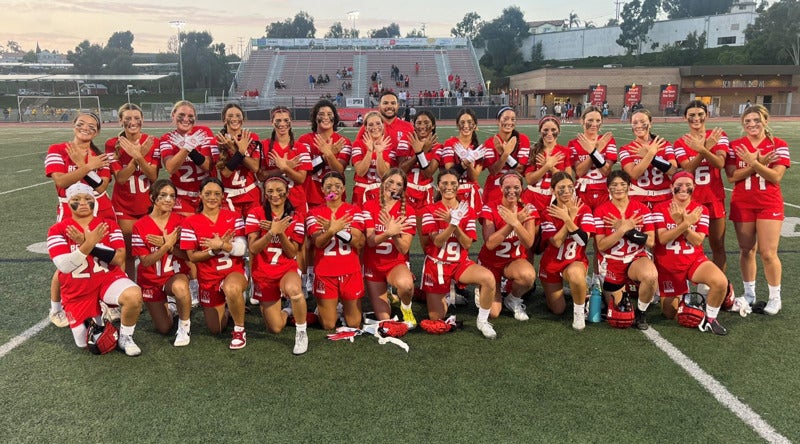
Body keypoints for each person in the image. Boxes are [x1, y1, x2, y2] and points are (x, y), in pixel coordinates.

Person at [47, 183, 144, 356]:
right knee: (88, 344)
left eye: (87, 198)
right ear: (68, 203)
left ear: (95, 201)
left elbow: (119, 258)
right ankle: (99, 314)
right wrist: (89, 242)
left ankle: (126, 337)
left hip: (108, 279)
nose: (82, 202)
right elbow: (64, 265)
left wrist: (84, 241)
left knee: (134, 295)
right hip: (78, 290)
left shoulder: (108, 225)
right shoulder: (58, 230)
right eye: (76, 199)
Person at [45, 112, 113, 327]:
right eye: (81, 123)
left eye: (92, 126)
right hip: (69, 209)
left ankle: (103, 305)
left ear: (98, 131)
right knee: (68, 259)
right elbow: (62, 181)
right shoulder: (57, 149)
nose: (86, 128)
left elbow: (101, 187)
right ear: (73, 125)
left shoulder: (100, 156)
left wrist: (85, 165)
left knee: (102, 257)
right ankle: (56, 308)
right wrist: (85, 167)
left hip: (100, 208)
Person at [726, 104, 789, 313]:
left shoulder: (778, 144)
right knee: (746, 250)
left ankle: (775, 297)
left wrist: (755, 163)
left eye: (756, 120)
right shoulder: (736, 145)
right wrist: (756, 164)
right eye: (747, 121)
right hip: (743, 202)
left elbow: (776, 176)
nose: (752, 124)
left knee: (768, 252)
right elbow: (732, 176)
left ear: (765, 121)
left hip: (768, 202)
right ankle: (750, 293)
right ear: (743, 125)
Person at [419, 169, 497, 339]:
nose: (449, 187)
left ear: (458, 186)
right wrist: (452, 224)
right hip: (437, 265)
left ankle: (482, 321)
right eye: (445, 183)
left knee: (488, 278)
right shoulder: (429, 209)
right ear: (438, 186)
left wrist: (455, 224)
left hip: (459, 262)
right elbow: (438, 242)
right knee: (436, 317)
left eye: (453, 183)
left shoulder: (466, 210)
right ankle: (446, 295)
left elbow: (467, 243)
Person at [651, 171, 729, 334]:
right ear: (671, 186)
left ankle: (710, 319)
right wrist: (685, 223)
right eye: (679, 184)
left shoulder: (701, 209)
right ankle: (684, 293)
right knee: (670, 314)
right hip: (668, 265)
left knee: (721, 282)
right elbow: (663, 238)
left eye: (688, 185)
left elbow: (697, 240)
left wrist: (681, 223)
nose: (683, 188)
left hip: (694, 260)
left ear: (694, 186)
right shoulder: (660, 208)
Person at [180, 178, 249, 349]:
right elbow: (192, 257)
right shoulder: (190, 222)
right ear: (200, 195)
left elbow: (242, 249)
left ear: (222, 197)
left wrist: (223, 245)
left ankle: (239, 330)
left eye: (217, 194)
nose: (212, 197)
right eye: (208, 193)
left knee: (231, 287)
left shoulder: (233, 217)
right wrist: (213, 251)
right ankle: (231, 304)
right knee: (215, 328)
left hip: (233, 273)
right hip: (209, 278)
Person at [246, 175, 309, 355]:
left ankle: (301, 332)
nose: (275, 195)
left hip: (285, 270)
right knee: (275, 327)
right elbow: (253, 248)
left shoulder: (295, 216)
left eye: (279, 191)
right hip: (264, 274)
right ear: (265, 194)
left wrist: (280, 234)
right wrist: (270, 233)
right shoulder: (255, 213)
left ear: (287, 193)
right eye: (271, 191)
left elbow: (292, 253)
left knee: (294, 290)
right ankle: (288, 310)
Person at [594, 170, 658, 330]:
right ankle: (608, 295)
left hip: (636, 257)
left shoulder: (642, 209)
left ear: (629, 186)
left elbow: (650, 241)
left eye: (623, 184)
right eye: (614, 184)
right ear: (608, 188)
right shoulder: (601, 211)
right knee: (620, 316)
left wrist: (629, 230)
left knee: (650, 276)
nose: (618, 188)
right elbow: (601, 245)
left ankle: (641, 313)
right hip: (612, 262)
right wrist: (622, 230)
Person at [131, 179, 192, 345]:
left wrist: (171, 247)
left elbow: (190, 256)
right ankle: (172, 307)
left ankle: (184, 327)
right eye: (163, 195)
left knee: (180, 287)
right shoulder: (140, 225)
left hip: (174, 275)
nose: (168, 200)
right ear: (152, 198)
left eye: (172, 196)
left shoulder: (181, 222)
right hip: (151, 280)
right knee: (164, 328)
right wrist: (166, 245)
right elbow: (145, 262)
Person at [673, 100, 729, 275]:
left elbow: (720, 163)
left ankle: (719, 286)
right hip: (691, 200)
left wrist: (703, 149)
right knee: (689, 243)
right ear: (685, 118)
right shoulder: (680, 142)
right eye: (691, 115)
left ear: (707, 115)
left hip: (714, 197)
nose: (696, 118)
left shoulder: (718, 135)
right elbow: (687, 169)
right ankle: (688, 285)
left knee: (717, 244)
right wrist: (704, 148)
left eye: (700, 114)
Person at [105, 104, 160, 279]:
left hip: (148, 205)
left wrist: (138, 155)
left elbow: (152, 176)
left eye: (136, 118)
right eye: (127, 118)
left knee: (152, 252)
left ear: (142, 119)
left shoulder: (153, 142)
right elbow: (120, 178)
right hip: (124, 207)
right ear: (120, 120)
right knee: (127, 254)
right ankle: (130, 290)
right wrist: (137, 159)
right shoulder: (112, 144)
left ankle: (152, 292)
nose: (132, 122)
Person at [306, 172, 365, 329]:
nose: (334, 189)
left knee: (354, 323)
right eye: (329, 186)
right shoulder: (314, 213)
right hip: (326, 272)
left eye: (338, 186)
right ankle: (326, 307)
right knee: (328, 324)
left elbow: (357, 241)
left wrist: (336, 230)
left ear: (344, 188)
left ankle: (339, 304)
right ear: (322, 189)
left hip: (350, 271)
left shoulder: (353, 210)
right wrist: (332, 231)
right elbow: (318, 242)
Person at [477, 172, 537, 322]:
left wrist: (517, 223)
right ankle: (482, 288)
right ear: (501, 188)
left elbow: (529, 243)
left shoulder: (527, 208)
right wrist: (512, 224)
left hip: (513, 261)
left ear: (521, 188)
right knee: (493, 313)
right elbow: (490, 243)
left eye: (516, 187)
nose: (512, 191)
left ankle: (513, 299)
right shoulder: (490, 207)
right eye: (507, 187)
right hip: (490, 263)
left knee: (528, 276)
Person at [539, 172, 596, 330]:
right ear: (553, 191)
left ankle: (578, 312)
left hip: (574, 261)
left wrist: (570, 218)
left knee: (576, 274)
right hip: (551, 265)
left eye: (570, 187)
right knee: (558, 310)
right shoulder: (547, 213)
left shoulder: (583, 208)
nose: (566, 191)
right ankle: (572, 290)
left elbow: (583, 240)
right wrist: (567, 219)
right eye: (561, 188)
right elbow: (556, 242)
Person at [361, 169, 418, 325]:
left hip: (394, 263)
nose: (394, 187)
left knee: (406, 286)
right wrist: (388, 232)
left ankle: (406, 308)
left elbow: (404, 248)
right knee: (384, 319)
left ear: (403, 189)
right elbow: (371, 241)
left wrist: (394, 235)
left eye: (399, 184)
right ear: (383, 182)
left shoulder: (408, 211)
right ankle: (388, 295)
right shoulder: (369, 206)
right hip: (373, 265)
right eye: (391, 182)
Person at [568, 106, 617, 283]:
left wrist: (594, 150)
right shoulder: (574, 143)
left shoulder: (609, 142)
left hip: (603, 193)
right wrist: (594, 151)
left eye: (597, 120)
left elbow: (606, 171)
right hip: (582, 194)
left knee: (601, 240)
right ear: (582, 121)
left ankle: (599, 277)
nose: (593, 124)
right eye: (590, 120)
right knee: (580, 238)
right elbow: (579, 172)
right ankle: (580, 278)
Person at [619, 108, 676, 210]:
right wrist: (650, 155)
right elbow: (634, 174)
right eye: (635, 123)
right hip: (638, 198)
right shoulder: (626, 149)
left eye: (643, 122)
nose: (639, 126)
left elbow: (673, 170)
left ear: (650, 123)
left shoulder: (663, 144)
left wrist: (652, 157)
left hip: (664, 198)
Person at [259, 106, 312, 217]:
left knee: (298, 233)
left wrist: (285, 168)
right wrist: (283, 168)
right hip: (272, 201)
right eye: (278, 120)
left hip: (296, 201)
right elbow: (261, 176)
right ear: (272, 122)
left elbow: (301, 179)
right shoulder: (264, 145)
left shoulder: (301, 148)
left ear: (291, 122)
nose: (282, 124)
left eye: (286, 120)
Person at [213, 104, 262, 220]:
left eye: (238, 115)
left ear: (243, 119)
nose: (234, 118)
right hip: (229, 196)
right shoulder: (217, 141)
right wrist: (239, 151)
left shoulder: (251, 137)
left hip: (251, 193)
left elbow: (255, 167)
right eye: (230, 115)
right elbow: (225, 173)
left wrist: (234, 150)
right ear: (224, 119)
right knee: (237, 237)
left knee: (254, 233)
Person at [398, 111, 452, 212]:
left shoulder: (438, 147)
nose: (422, 126)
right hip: (406, 192)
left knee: (425, 227)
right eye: (419, 123)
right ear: (414, 125)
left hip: (425, 195)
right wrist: (421, 152)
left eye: (426, 122)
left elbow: (428, 173)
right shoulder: (406, 140)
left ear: (433, 125)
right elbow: (401, 169)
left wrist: (420, 153)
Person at [522, 115, 573, 215]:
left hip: (555, 198)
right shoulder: (534, 151)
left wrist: (551, 167)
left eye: (553, 129)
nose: (549, 133)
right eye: (546, 130)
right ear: (540, 131)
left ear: (559, 131)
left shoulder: (565, 151)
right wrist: (546, 167)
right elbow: (529, 180)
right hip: (533, 196)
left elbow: (568, 180)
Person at [482, 106, 530, 204]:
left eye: (513, 119)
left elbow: (520, 169)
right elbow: (493, 171)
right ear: (498, 121)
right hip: (495, 187)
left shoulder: (523, 140)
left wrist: (504, 154)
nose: (509, 122)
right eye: (505, 119)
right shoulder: (490, 142)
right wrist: (505, 154)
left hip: (514, 186)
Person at [351, 111, 397, 205]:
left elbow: (384, 174)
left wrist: (379, 153)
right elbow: (360, 172)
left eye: (378, 123)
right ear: (366, 128)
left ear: (383, 125)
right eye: (370, 124)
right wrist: (369, 151)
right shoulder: (358, 144)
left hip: (382, 192)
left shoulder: (389, 145)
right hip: (361, 192)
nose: (375, 127)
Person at [443, 108, 484, 211]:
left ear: (475, 125)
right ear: (457, 125)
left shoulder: (478, 148)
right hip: (453, 190)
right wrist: (466, 161)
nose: (466, 126)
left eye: (470, 122)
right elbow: (450, 172)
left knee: (470, 225)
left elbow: (474, 177)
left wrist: (469, 163)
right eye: (462, 122)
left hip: (471, 193)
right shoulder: (450, 143)